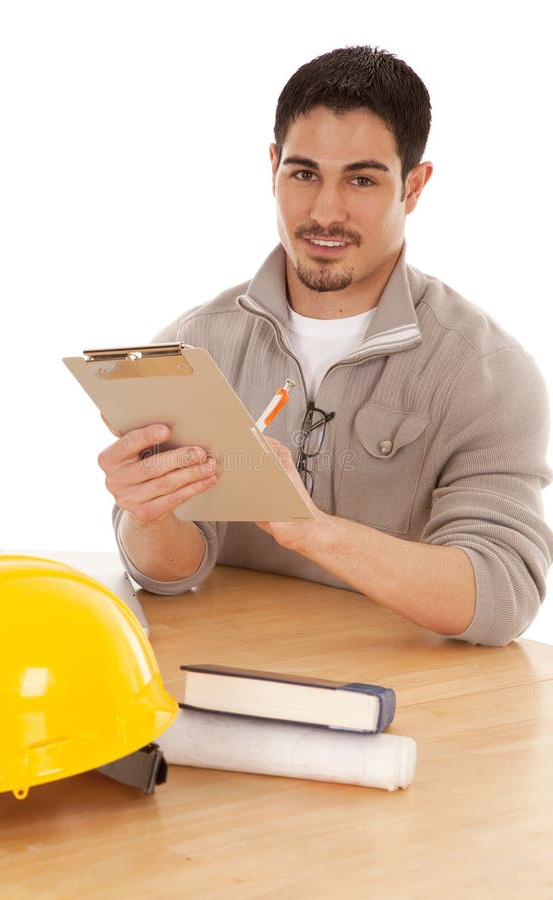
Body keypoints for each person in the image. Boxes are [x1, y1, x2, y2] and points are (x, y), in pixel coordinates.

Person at [98, 46, 553, 646]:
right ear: (273, 168)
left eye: (361, 179)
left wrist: (312, 530)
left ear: (414, 186)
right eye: (304, 173)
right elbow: (169, 575)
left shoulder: (486, 372)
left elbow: (502, 595)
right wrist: (148, 513)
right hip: (220, 673)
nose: (324, 211)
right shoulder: (193, 345)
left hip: (404, 690)